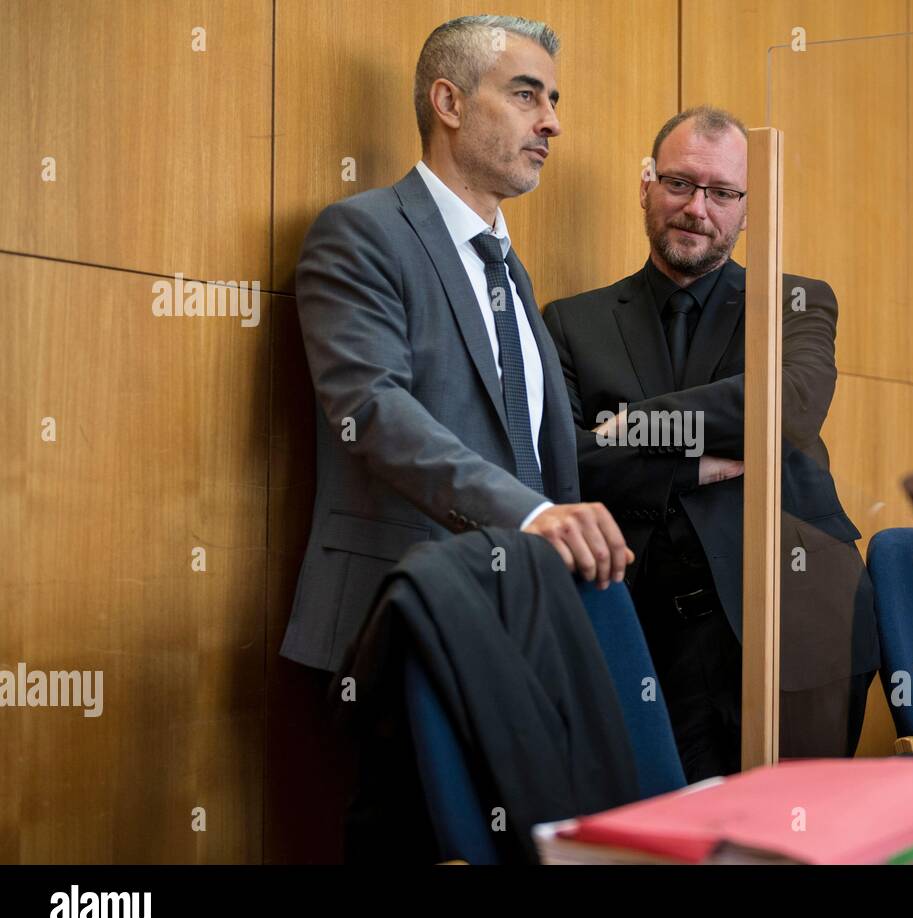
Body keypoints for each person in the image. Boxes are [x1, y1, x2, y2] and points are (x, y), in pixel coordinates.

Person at [282, 14, 631, 675]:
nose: (551, 122)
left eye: (553, 101)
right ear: (449, 102)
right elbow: (374, 410)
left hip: (523, 632)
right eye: (527, 95)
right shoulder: (361, 233)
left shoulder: (511, 271)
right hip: (400, 627)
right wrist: (528, 517)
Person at [544, 106, 878, 782]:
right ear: (645, 186)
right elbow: (568, 460)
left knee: (796, 837)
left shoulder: (797, 303)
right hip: (643, 625)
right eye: (679, 183)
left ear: (748, 209)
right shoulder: (571, 322)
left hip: (794, 614)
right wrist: (697, 464)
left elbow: (788, 408)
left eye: (723, 193)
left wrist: (633, 424)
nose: (698, 208)